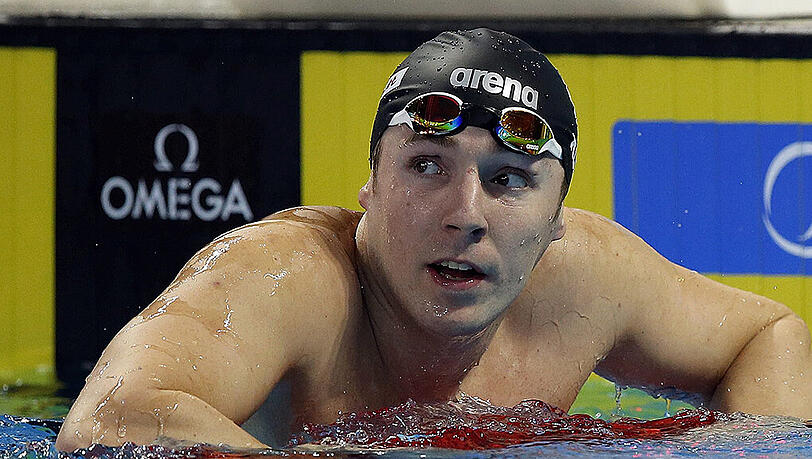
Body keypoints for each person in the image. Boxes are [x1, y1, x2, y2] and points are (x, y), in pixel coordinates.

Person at [55, 28, 811, 451]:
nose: (465, 212)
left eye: (510, 179)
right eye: (427, 166)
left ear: (555, 225)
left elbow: (772, 333)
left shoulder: (588, 276)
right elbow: (106, 421)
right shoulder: (289, 276)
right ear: (369, 191)